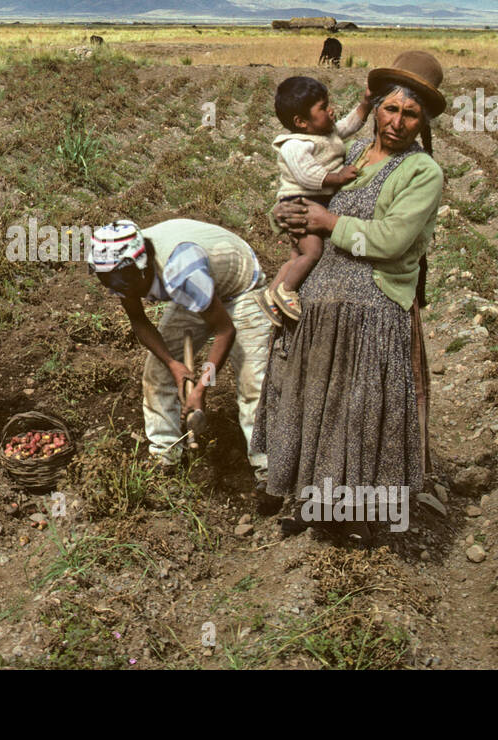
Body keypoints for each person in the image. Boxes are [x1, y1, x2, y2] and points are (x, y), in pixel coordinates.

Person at [252, 51, 446, 540]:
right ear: (377, 107)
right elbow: (308, 192)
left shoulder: (423, 173)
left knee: (350, 408)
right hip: (321, 295)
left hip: (372, 302)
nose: (397, 122)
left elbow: (391, 241)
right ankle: (306, 496)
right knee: (307, 398)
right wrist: (293, 217)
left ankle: (347, 512)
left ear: (421, 122)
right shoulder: (354, 151)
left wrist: (327, 222)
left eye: (410, 114)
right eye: (390, 109)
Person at [87, 218, 277, 483]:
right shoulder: (119, 269)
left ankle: (268, 469)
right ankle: (165, 458)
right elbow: (140, 322)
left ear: (142, 268)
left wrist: (201, 387)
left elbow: (225, 331)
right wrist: (173, 365)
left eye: (120, 279)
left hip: (238, 288)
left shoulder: (180, 269)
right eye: (108, 279)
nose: (116, 287)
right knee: (157, 372)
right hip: (198, 291)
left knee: (252, 382)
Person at [266, 77, 372, 321]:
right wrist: (337, 177)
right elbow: (308, 175)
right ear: (301, 122)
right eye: (323, 108)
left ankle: (271, 294)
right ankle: (287, 290)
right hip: (300, 202)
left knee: (296, 256)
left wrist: (365, 106)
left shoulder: (324, 133)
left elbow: (348, 125)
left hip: (309, 201)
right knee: (312, 252)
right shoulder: (296, 145)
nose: (330, 110)